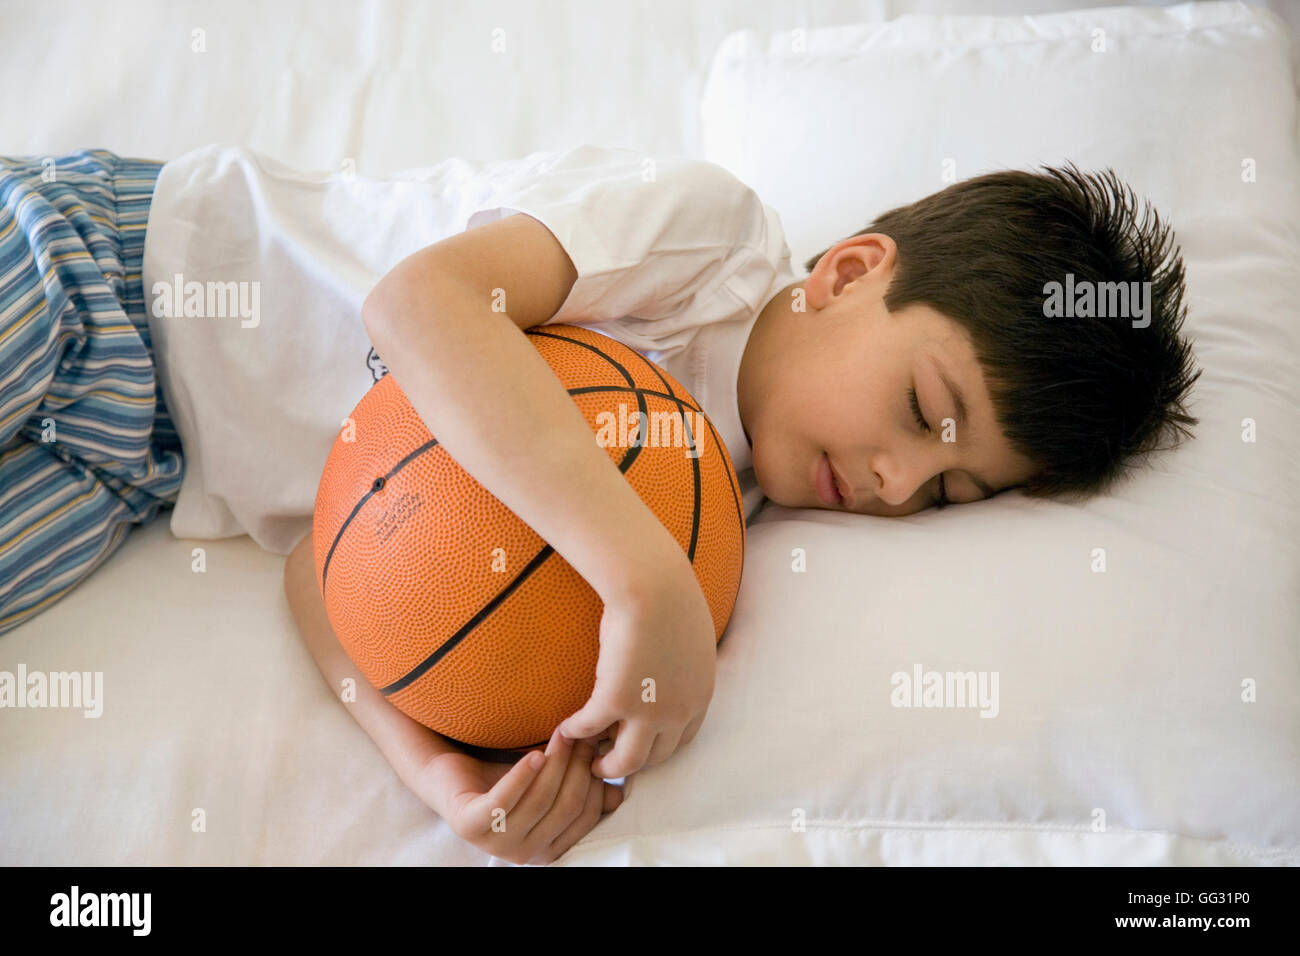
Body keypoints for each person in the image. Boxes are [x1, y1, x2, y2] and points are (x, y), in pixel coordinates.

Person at [3, 144, 1201, 864]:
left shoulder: (712, 520)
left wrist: (439, 777)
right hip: (109, 264)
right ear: (846, 273)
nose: (895, 480)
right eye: (920, 411)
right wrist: (639, 576)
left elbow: (327, 566)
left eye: (947, 490)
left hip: (138, 473)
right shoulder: (710, 240)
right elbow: (419, 307)